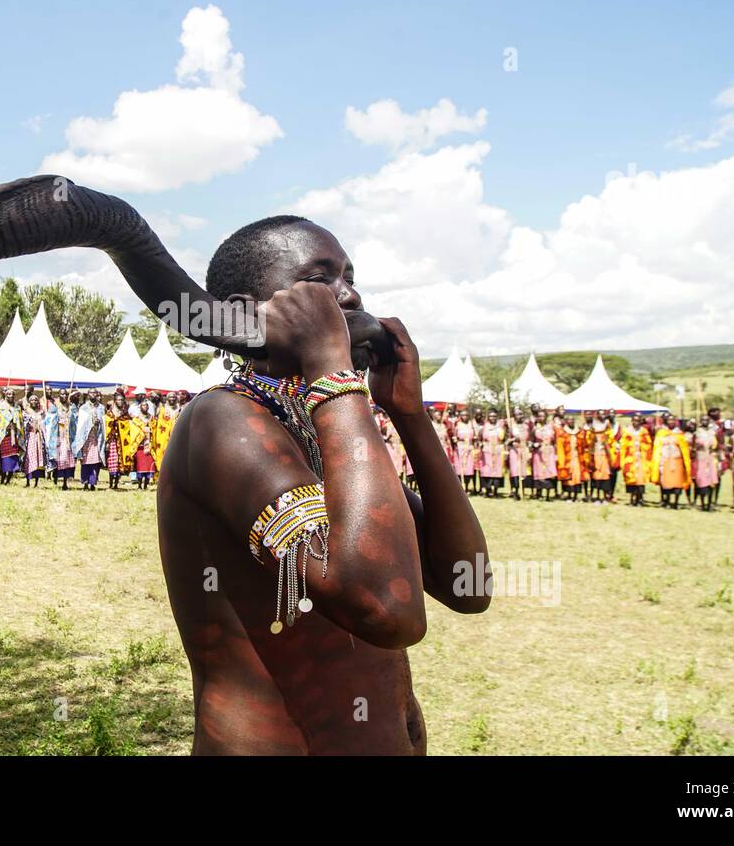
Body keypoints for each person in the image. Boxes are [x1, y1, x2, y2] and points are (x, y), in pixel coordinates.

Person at [156, 216, 488, 754]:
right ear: (247, 312)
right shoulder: (222, 422)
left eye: (350, 275)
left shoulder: (314, 424)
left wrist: (409, 415)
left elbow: (469, 587)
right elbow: (387, 611)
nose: (351, 294)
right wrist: (332, 370)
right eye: (322, 278)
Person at [650, 416, 690, 509]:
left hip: (677, 460)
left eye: (672, 420)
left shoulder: (679, 434)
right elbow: (657, 447)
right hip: (665, 460)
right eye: (669, 420)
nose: (671, 422)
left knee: (677, 482)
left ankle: (675, 502)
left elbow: (684, 448)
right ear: (666, 421)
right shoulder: (661, 433)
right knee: (666, 482)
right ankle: (666, 501)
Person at [73, 390, 105, 490]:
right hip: (86, 438)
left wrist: (98, 423)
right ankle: (85, 482)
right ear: (88, 395)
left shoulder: (101, 408)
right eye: (91, 393)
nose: (93, 395)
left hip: (97, 437)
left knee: (95, 461)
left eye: (95, 393)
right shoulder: (83, 408)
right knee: (85, 461)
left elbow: (103, 424)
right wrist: (91, 422)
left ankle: (93, 483)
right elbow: (81, 424)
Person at [617, 414, 652, 506]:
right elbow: (623, 446)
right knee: (631, 478)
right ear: (631, 421)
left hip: (641, 458)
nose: (636, 422)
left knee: (640, 479)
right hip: (630, 458)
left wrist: (642, 448)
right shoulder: (627, 432)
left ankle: (640, 498)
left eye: (638, 421)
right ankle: (632, 498)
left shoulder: (644, 431)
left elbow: (648, 444)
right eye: (634, 420)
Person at [691, 415, 721, 512]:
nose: (705, 421)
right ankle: (703, 503)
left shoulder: (713, 432)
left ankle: (709, 503)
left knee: (711, 481)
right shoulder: (697, 432)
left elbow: (718, 446)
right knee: (701, 480)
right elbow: (692, 448)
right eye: (703, 420)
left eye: (706, 420)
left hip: (711, 458)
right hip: (700, 459)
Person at [104, 391, 132, 490]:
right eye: (118, 400)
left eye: (121, 400)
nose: (120, 401)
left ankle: (116, 484)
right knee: (112, 463)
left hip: (123, 442)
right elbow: (107, 425)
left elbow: (128, 426)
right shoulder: (110, 413)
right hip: (112, 441)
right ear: (115, 401)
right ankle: (111, 484)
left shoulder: (125, 413)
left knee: (120, 462)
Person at [529, 409, 558, 501]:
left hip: (549, 452)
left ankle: (548, 494)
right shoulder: (534, 428)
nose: (541, 418)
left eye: (543, 416)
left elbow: (556, 441)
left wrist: (556, 454)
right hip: (538, 453)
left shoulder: (551, 427)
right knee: (539, 472)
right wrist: (533, 445)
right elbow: (530, 441)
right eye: (539, 416)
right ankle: (539, 494)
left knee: (549, 472)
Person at [21, 393, 49, 487]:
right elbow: (24, 424)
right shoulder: (26, 412)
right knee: (29, 457)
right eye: (32, 400)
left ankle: (36, 482)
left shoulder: (42, 412)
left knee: (38, 457)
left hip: (39, 437)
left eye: (36, 400)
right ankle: (28, 481)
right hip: (30, 436)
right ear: (29, 402)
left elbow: (46, 423)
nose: (34, 401)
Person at [477, 410, 506, 498]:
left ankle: (496, 491)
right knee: (487, 471)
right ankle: (487, 490)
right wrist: (480, 444)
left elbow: (504, 438)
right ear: (488, 417)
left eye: (494, 416)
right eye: (491, 416)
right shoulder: (484, 427)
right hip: (487, 451)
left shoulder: (500, 427)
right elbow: (479, 438)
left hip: (497, 451)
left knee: (497, 471)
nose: (492, 418)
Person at [130, 398, 157, 490]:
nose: (145, 407)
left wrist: (150, 431)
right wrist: (142, 432)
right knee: (140, 466)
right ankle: (139, 485)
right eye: (143, 405)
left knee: (148, 466)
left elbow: (155, 429)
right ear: (140, 407)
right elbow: (134, 432)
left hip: (149, 446)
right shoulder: (136, 419)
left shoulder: (152, 419)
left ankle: (146, 485)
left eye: (146, 405)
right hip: (140, 446)